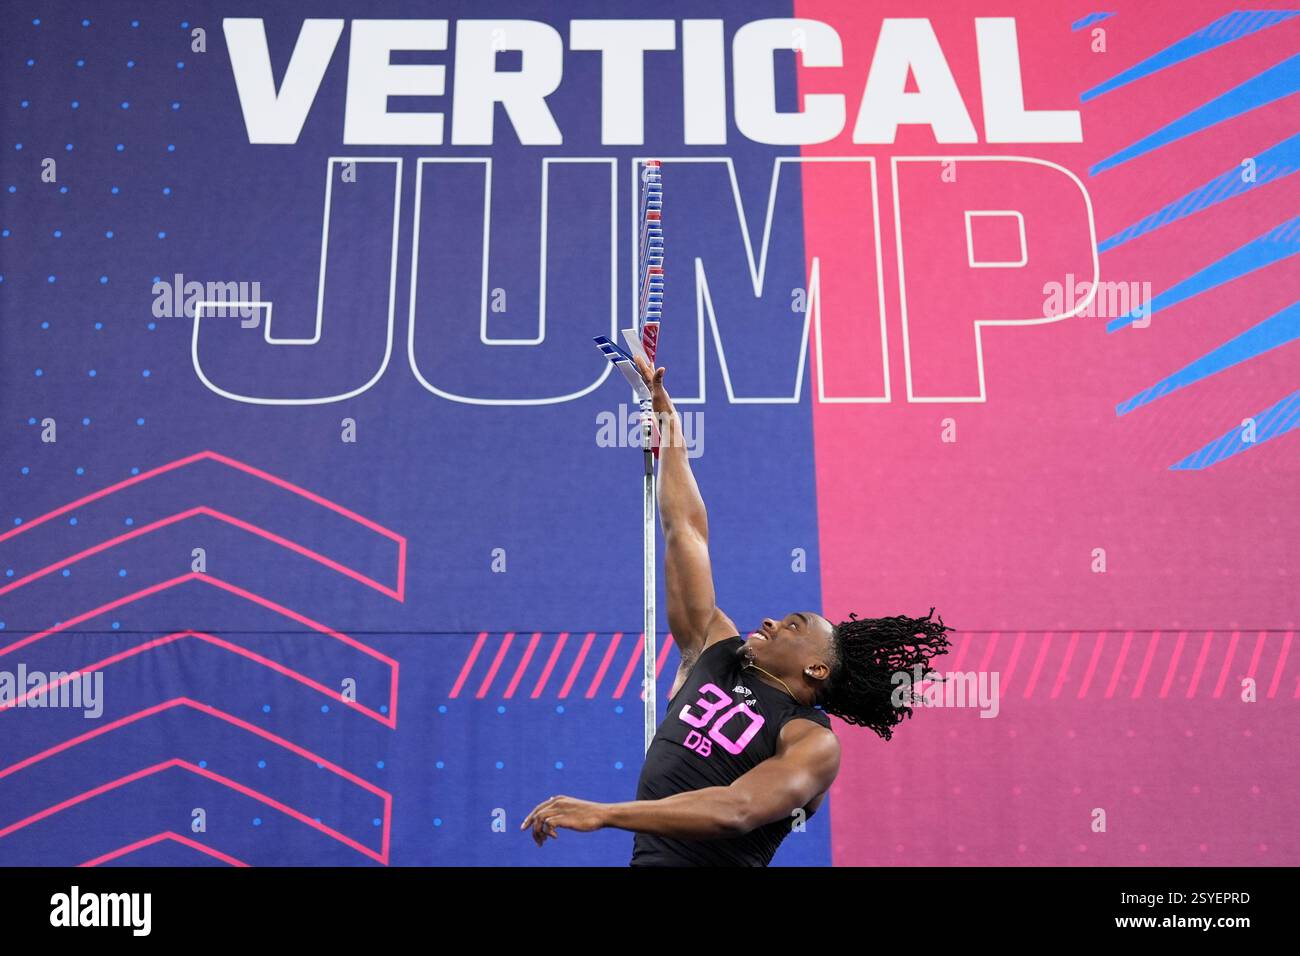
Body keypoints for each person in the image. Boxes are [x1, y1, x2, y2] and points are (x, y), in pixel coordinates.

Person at [522, 356, 953, 865]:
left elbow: (738, 809)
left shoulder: (811, 742)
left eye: (794, 626)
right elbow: (687, 529)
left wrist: (606, 813)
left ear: (816, 668)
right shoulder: (716, 648)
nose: (771, 621)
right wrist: (669, 429)